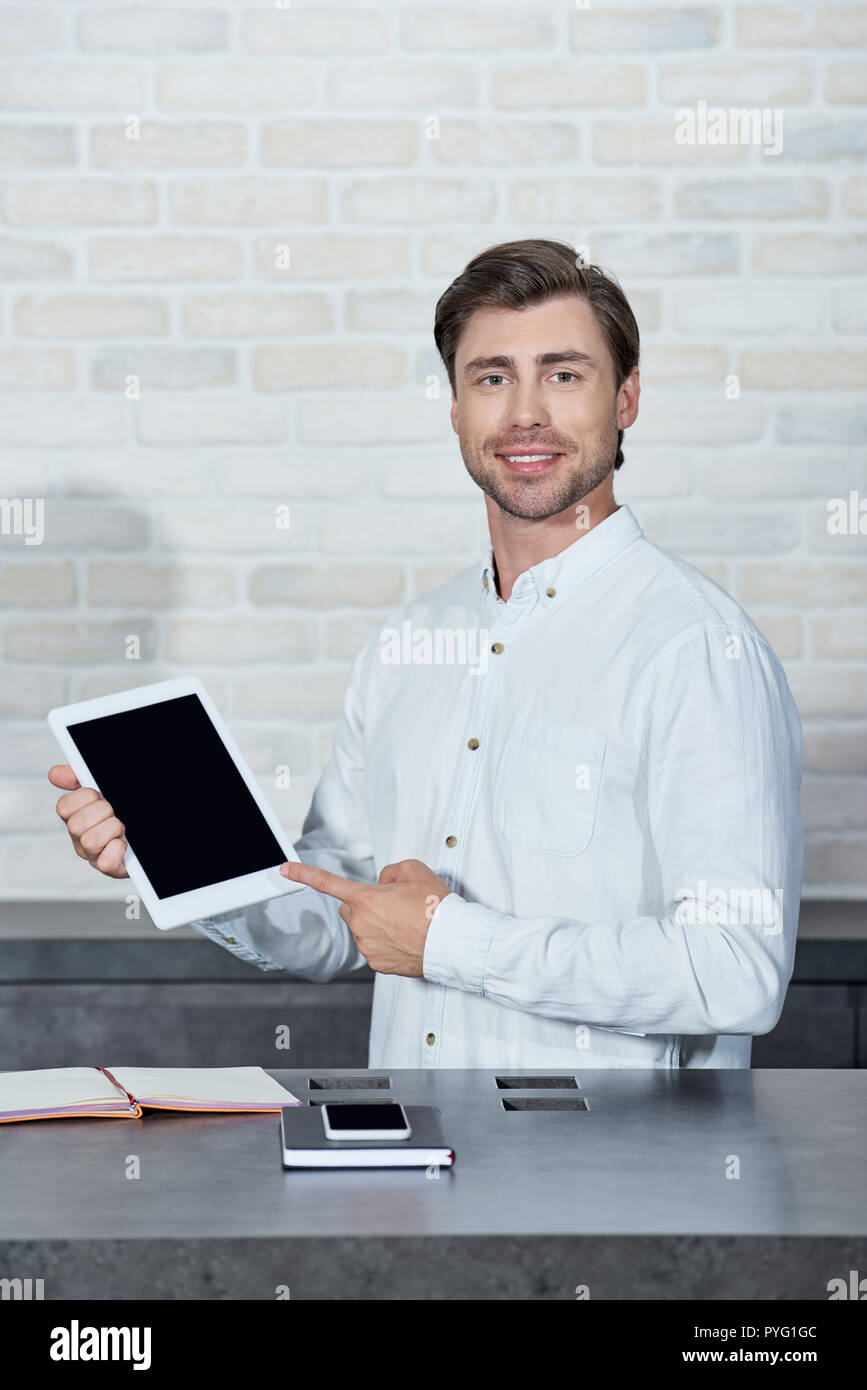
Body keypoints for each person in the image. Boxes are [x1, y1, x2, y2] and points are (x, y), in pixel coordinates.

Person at [49, 238, 804, 1070]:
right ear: (454, 408)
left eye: (563, 374)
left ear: (624, 399)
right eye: (491, 377)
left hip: (614, 1183)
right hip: (415, 1169)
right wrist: (175, 859)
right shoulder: (405, 646)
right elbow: (340, 923)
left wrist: (447, 941)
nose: (524, 414)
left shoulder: (697, 649)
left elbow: (737, 972)